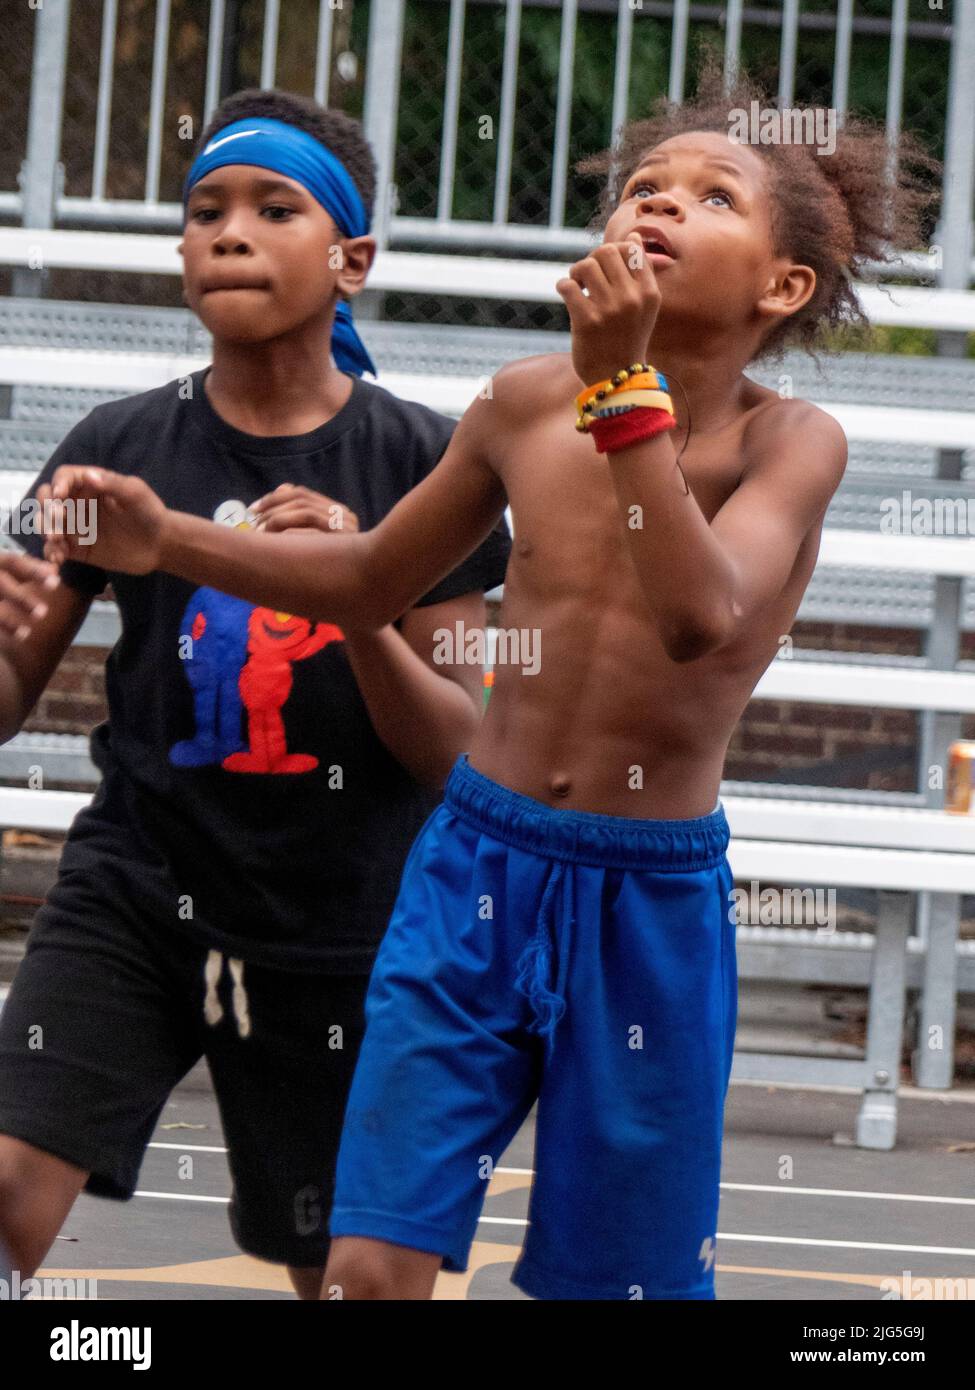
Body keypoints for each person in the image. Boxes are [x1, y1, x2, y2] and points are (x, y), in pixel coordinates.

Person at [36, 60, 939, 1300]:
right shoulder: (519, 405)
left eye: (709, 197)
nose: (653, 208)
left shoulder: (793, 443)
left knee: (613, 1286)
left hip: (647, 903)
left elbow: (698, 615)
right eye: (639, 190)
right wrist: (168, 540)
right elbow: (364, 581)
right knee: (370, 1260)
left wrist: (627, 390)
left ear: (783, 286)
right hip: (475, 866)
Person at [0, 87, 510, 1300]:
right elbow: (9, 695)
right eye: (205, 210)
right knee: (9, 1181)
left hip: (344, 924)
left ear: (354, 259)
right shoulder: (118, 447)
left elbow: (461, 755)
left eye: (274, 208)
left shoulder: (423, 467)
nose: (229, 232)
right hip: (139, 886)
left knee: (352, 1281)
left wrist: (359, 595)